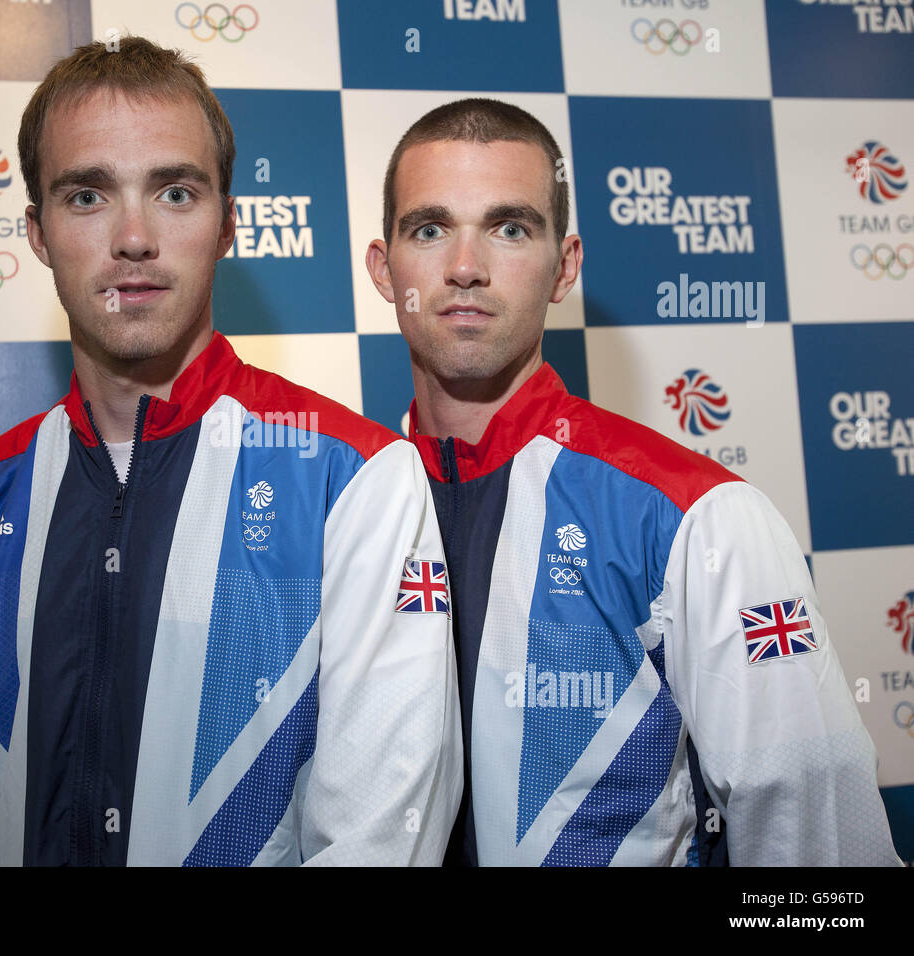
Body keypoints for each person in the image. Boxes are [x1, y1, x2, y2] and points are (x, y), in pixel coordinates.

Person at [0, 36, 462, 866]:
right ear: (37, 232)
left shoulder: (354, 480)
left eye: (176, 192)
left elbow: (375, 844)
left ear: (227, 225)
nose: (135, 237)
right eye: (87, 196)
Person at [364, 97, 901, 866]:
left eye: (510, 228)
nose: (465, 268)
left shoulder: (697, 516)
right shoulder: (344, 513)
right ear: (386, 271)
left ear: (565, 267)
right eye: (430, 228)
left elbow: (823, 868)